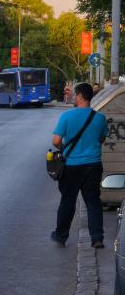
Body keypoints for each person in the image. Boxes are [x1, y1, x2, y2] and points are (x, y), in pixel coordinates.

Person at [51, 82, 108, 248]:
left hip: (72, 166)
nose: (73, 97)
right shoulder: (100, 117)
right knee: (93, 201)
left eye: (74, 94)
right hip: (93, 164)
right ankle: (97, 238)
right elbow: (102, 139)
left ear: (81, 96)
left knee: (68, 201)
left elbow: (56, 141)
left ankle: (61, 235)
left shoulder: (67, 116)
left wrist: (65, 149)